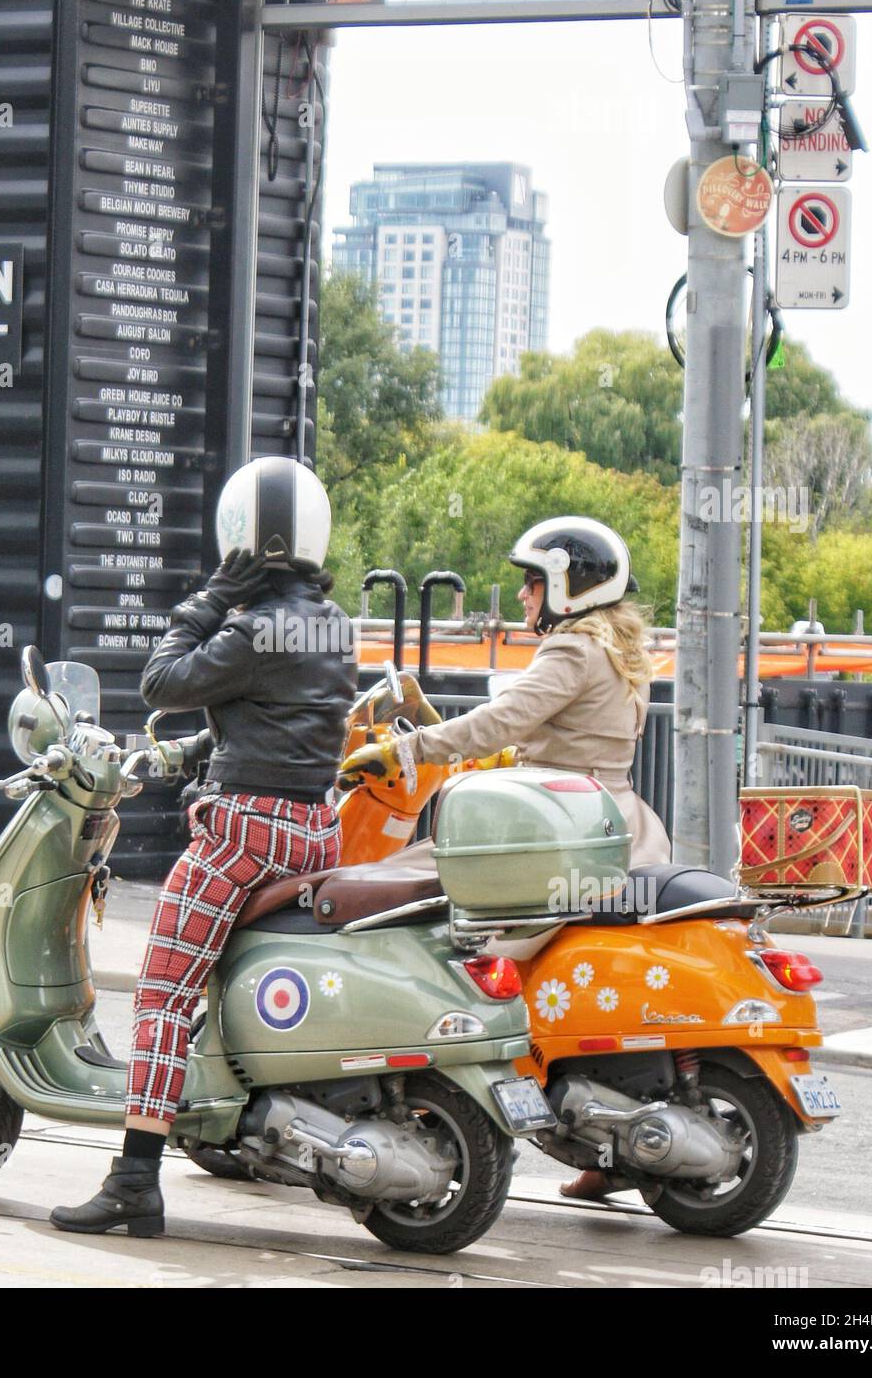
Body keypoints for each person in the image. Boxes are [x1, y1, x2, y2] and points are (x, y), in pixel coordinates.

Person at [51, 458, 357, 1237]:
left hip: (246, 836)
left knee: (160, 996)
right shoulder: (332, 625)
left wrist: (210, 598)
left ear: (242, 539)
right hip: (313, 829)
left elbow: (161, 681)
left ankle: (134, 1178)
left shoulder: (250, 625)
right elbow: (272, 718)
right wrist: (190, 756)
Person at [337, 516, 670, 1204]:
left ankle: (457, 1111)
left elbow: (500, 720)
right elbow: (559, 737)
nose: (522, 597)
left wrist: (405, 750)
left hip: (559, 830)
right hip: (614, 820)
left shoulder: (572, 651)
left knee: (461, 954)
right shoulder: (618, 649)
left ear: (568, 587)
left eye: (531, 581)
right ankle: (598, 1144)